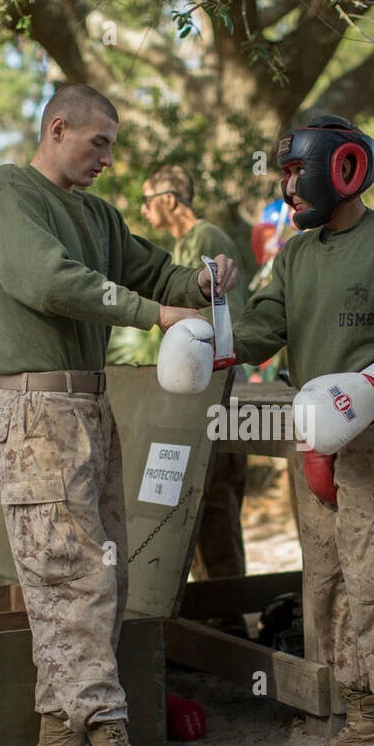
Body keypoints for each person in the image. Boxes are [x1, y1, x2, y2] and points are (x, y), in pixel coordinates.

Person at [0, 83, 237, 746]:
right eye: (99, 144)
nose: (107, 159)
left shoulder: (98, 214)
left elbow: (155, 271)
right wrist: (156, 315)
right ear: (57, 128)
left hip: (90, 407)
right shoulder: (9, 191)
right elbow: (50, 281)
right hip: (36, 411)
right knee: (71, 582)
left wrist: (200, 279)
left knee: (102, 574)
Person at [233, 115, 374, 746]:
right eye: (284, 176)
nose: (289, 188)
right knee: (331, 586)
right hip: (311, 441)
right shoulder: (294, 255)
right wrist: (215, 334)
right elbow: (265, 328)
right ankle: (362, 721)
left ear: (344, 167)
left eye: (297, 173)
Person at [128, 163, 250, 612]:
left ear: (170, 199)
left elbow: (225, 326)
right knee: (190, 507)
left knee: (215, 506)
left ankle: (230, 619)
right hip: (191, 394)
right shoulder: (180, 247)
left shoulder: (207, 240)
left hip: (218, 394)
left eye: (147, 199)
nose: (143, 209)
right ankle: (208, 618)